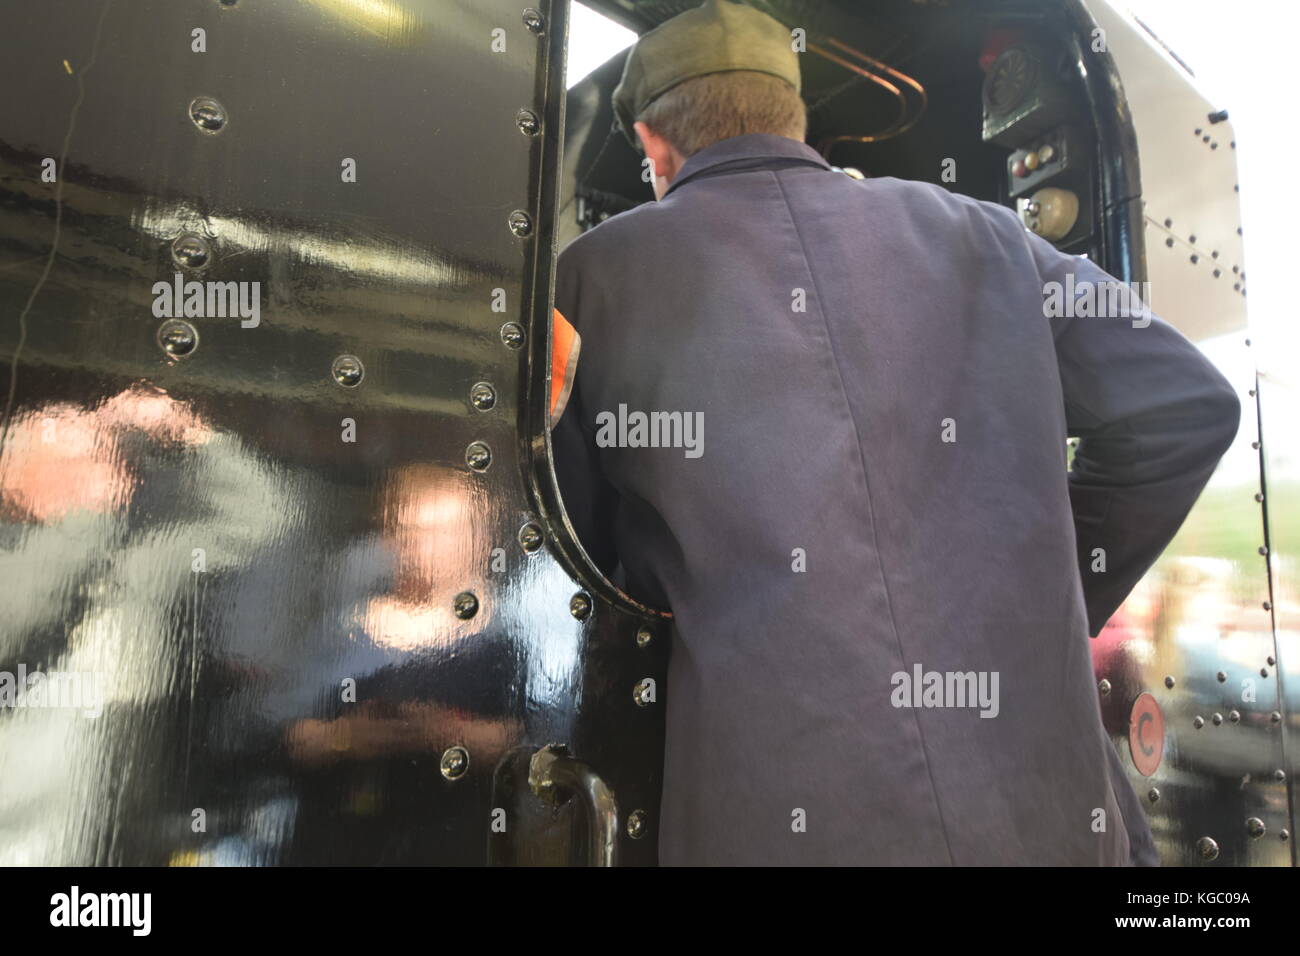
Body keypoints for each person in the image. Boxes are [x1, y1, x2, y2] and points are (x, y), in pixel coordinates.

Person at [549, 0, 1240, 865]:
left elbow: (572, 565)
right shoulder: (990, 235)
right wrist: (1044, 595)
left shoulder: (593, 276)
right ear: (792, 115)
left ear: (654, 143)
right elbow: (1184, 406)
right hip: (1046, 817)